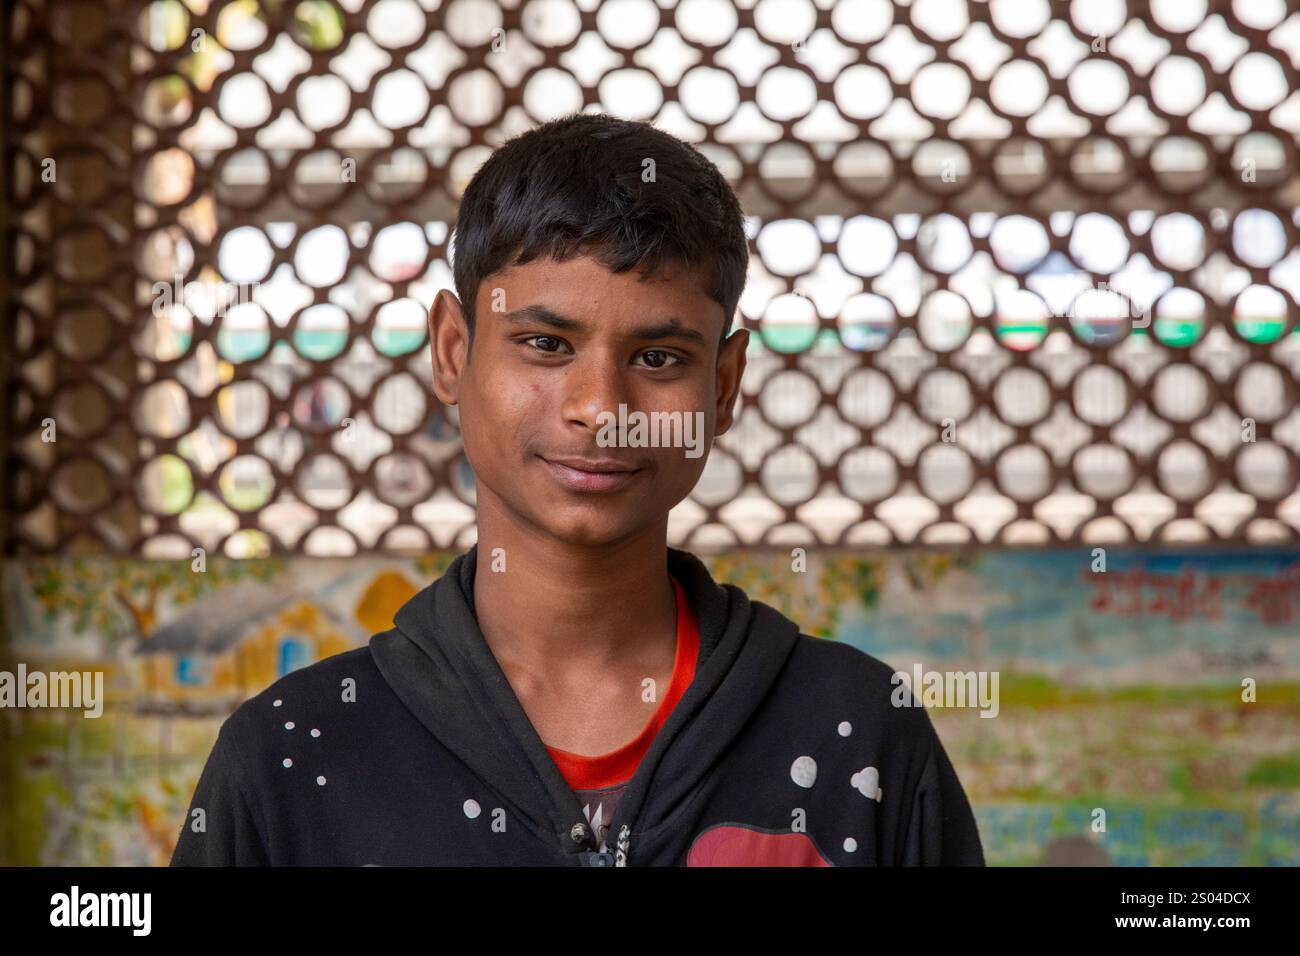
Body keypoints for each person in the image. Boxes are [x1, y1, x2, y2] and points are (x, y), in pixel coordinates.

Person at [171, 113, 984, 867]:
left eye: (659, 357)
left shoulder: (861, 736)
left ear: (725, 385)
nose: (601, 409)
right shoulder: (292, 756)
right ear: (453, 351)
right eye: (545, 343)